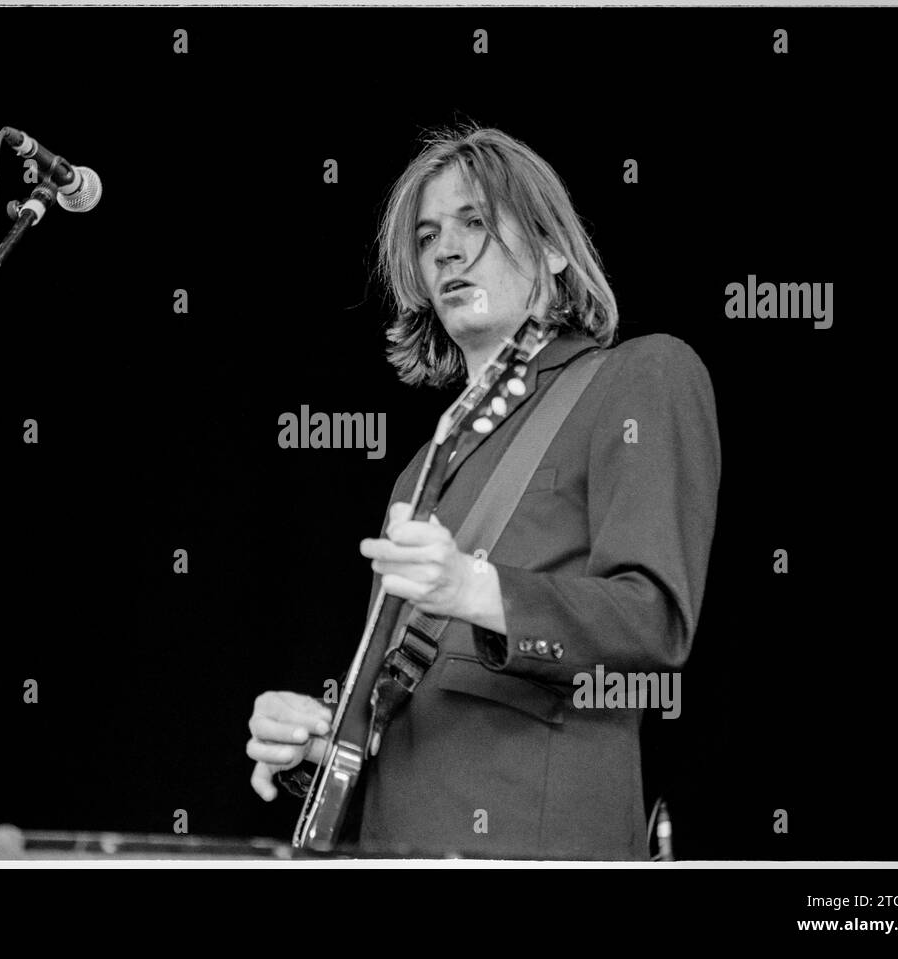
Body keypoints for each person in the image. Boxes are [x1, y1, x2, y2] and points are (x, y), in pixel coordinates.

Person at [247, 126, 721, 859]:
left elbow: (654, 620)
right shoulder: (422, 468)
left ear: (554, 249)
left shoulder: (640, 375)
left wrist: (476, 587)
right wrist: (321, 739)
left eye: (476, 222)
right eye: (429, 234)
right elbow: (407, 703)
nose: (446, 250)